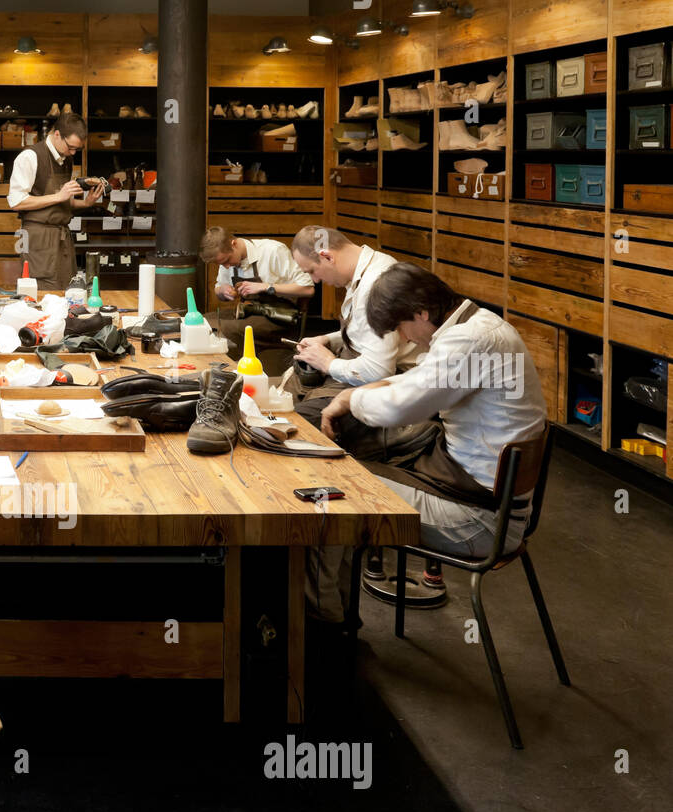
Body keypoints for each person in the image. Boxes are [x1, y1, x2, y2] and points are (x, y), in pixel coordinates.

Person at [307, 263, 546, 628]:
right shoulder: (480, 324)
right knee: (354, 470)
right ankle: (337, 616)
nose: (405, 339)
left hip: (478, 521)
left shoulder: (470, 341)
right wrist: (355, 393)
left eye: (401, 328)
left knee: (328, 495)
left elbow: (405, 405)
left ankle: (324, 629)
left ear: (421, 313)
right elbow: (419, 381)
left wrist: (348, 401)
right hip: (488, 501)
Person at [288, 226, 413, 453]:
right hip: (366, 371)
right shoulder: (369, 266)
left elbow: (379, 372)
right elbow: (365, 331)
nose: (315, 280)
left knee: (295, 425)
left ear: (326, 256)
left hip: (393, 383)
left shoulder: (376, 285)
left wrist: (328, 363)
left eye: (313, 271)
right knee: (286, 395)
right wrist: (326, 339)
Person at [7, 112, 106, 292]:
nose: (73, 153)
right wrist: (59, 196)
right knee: (43, 293)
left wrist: (86, 203)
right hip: (39, 240)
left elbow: (60, 202)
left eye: (77, 149)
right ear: (57, 134)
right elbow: (17, 202)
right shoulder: (30, 157)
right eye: (71, 147)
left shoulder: (65, 158)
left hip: (62, 239)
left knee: (68, 291)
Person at [198, 227, 314, 364]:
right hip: (249, 312)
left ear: (233, 244)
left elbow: (308, 289)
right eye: (222, 264)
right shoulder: (226, 261)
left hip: (280, 317)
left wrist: (267, 287)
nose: (227, 267)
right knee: (202, 322)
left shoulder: (273, 251)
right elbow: (218, 289)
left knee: (224, 329)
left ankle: (234, 370)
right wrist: (222, 290)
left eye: (227, 261)